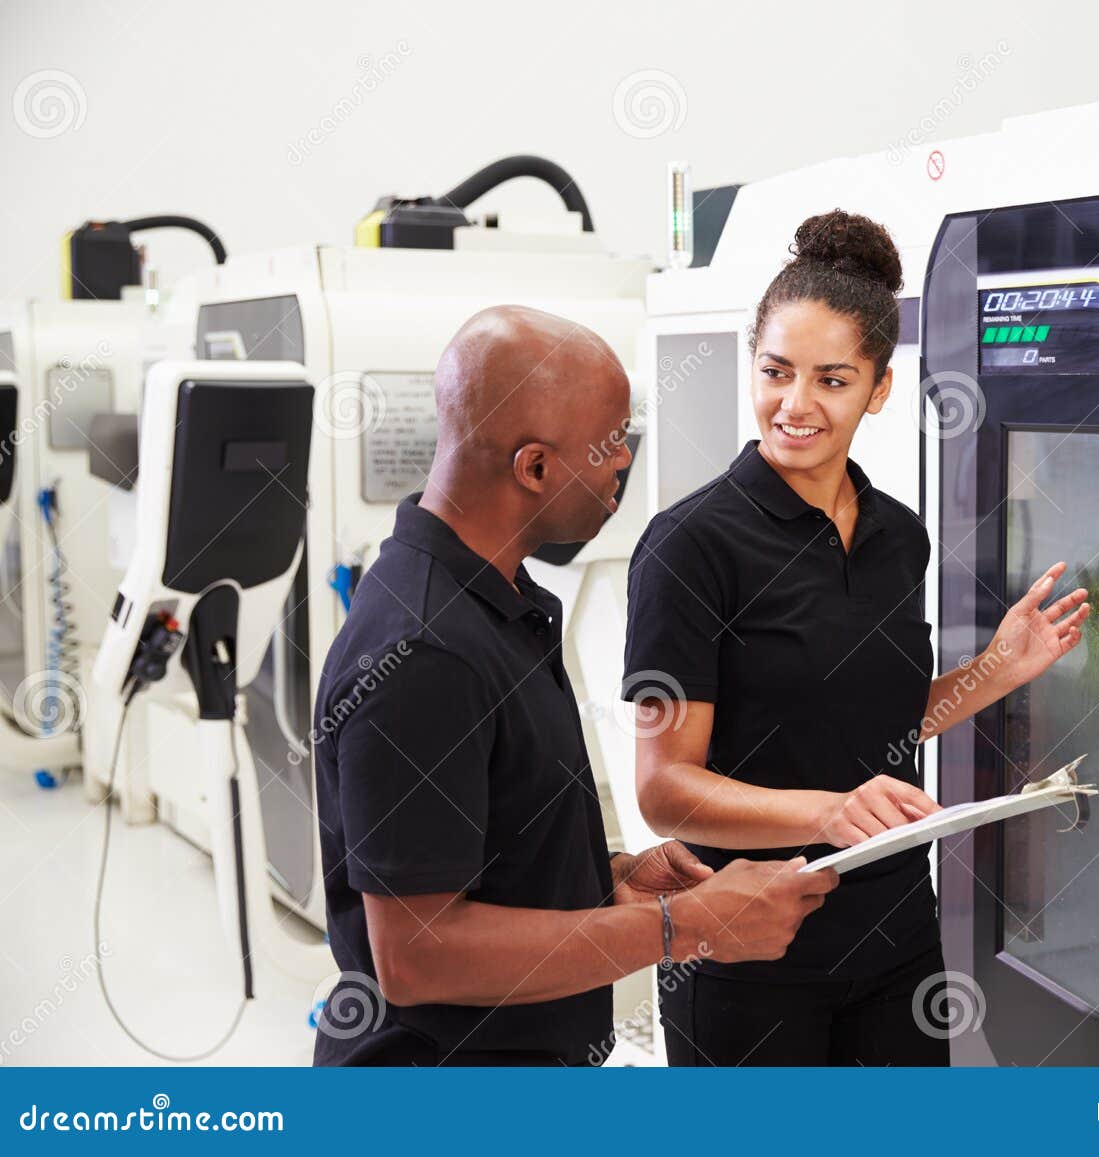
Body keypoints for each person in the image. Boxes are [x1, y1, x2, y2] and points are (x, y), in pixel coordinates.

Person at [623, 211, 1091, 1066]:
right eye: (775, 372)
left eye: (831, 380)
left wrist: (997, 668)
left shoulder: (896, 535)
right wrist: (826, 813)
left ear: (878, 388)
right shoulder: (689, 546)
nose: (794, 405)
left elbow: (873, 722)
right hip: (747, 944)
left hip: (895, 938)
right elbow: (665, 790)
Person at [313, 305, 837, 1066]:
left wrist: (607, 880)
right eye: (611, 442)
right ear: (534, 467)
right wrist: (685, 928)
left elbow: (483, 858)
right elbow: (417, 956)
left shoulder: (497, 604)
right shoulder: (427, 652)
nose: (625, 460)